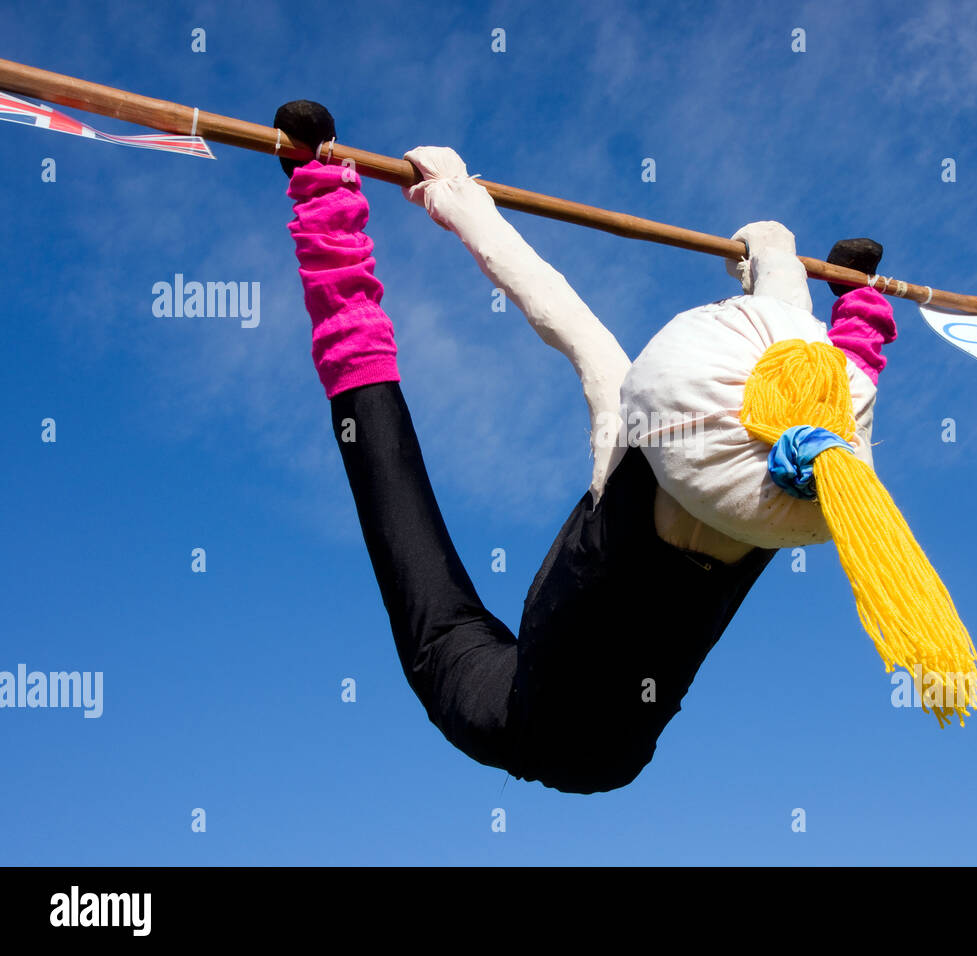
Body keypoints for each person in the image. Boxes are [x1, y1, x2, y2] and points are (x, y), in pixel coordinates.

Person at [278, 102, 896, 793]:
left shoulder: (642, 425)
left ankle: (325, 218)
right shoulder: (809, 488)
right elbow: (833, 393)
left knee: (423, 586)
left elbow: (555, 304)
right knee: (401, 518)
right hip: (612, 746)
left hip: (518, 721)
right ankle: (324, 217)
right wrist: (822, 280)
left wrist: (456, 194)